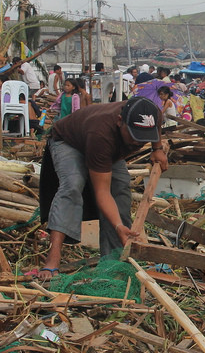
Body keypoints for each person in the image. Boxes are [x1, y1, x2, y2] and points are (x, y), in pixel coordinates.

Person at [36, 97, 168, 280]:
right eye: (135, 135)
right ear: (120, 121)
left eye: (144, 138)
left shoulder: (153, 114)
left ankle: (113, 260)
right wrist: (118, 225)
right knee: (73, 185)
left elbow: (156, 128)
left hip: (108, 148)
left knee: (121, 189)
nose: (138, 143)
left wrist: (157, 148)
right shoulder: (101, 135)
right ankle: (53, 259)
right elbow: (102, 192)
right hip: (69, 142)